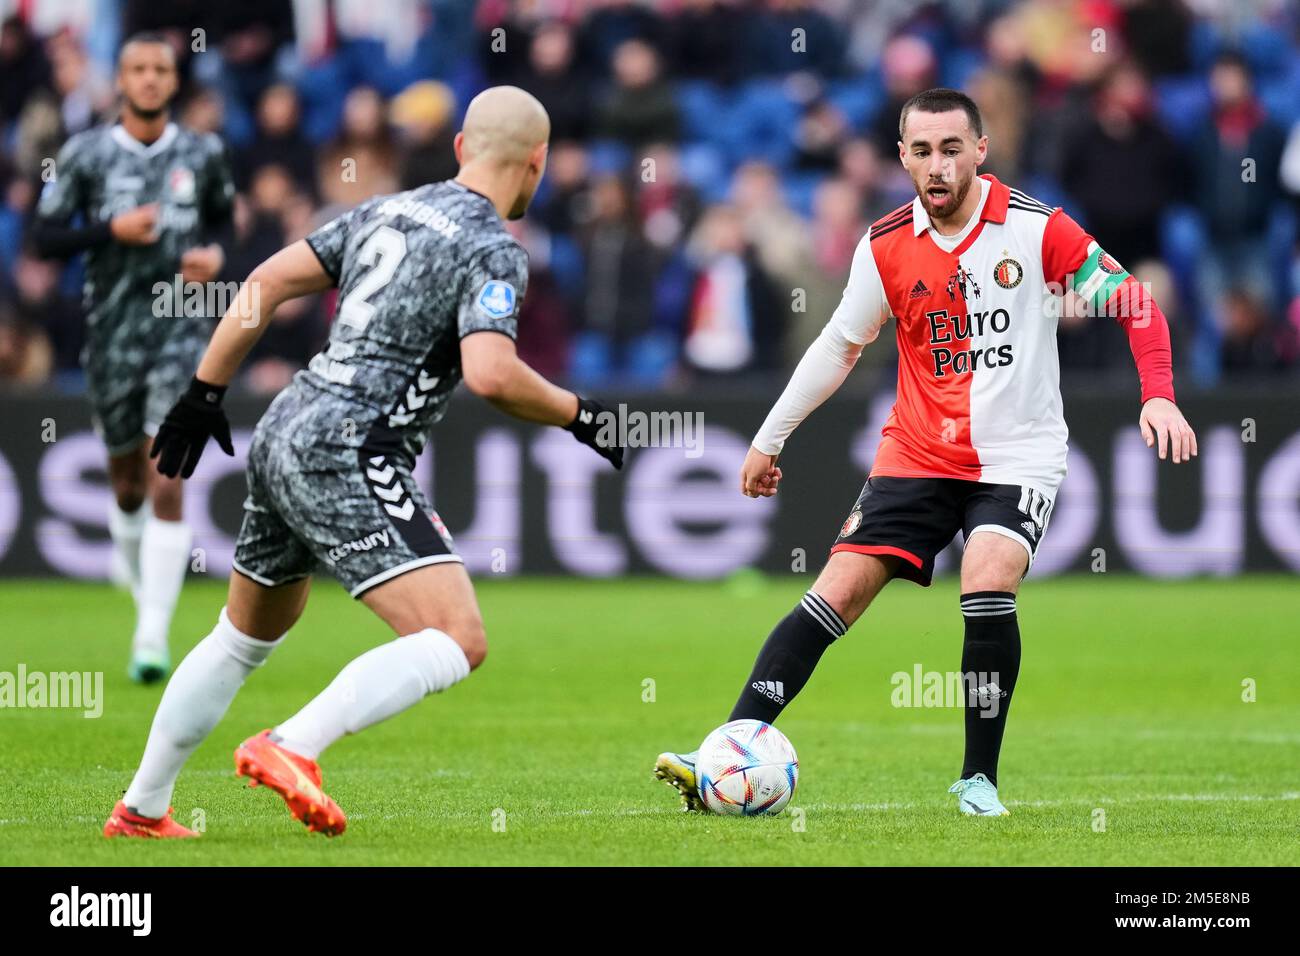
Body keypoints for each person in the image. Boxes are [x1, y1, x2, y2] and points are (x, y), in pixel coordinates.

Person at [654, 88, 1197, 816]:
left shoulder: (1038, 230)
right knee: (835, 592)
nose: (936, 165)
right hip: (917, 453)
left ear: (979, 150)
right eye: (921, 151)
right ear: (902, 157)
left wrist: (1157, 393)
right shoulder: (884, 245)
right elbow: (837, 347)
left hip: (1016, 456)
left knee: (987, 576)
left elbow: (1135, 302)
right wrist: (767, 438)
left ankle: (978, 780)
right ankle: (723, 752)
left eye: (950, 149)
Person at [103, 86, 622, 839]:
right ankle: (291, 744)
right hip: (350, 445)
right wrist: (582, 415)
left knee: (240, 638)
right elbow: (491, 374)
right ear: (536, 162)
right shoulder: (493, 247)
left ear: (459, 149)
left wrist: (203, 392)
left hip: (286, 423)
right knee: (458, 637)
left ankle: (142, 808)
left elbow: (267, 283)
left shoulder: (387, 208)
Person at [30, 33, 234, 683]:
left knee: (165, 476)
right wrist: (107, 231)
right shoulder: (86, 154)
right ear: (120, 80)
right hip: (111, 331)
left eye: (160, 70)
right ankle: (138, 575)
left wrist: (216, 257)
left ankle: (151, 637)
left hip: (179, 328)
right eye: (137, 69)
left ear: (174, 82)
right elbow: (44, 237)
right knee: (126, 484)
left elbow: (226, 221)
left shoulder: (201, 154)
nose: (149, 79)